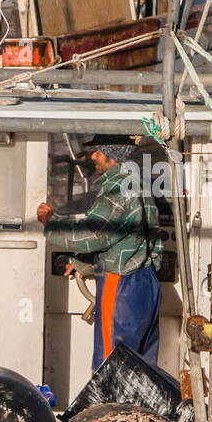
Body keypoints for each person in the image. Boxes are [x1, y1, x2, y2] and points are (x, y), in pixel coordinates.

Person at [37, 138, 163, 369]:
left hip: (123, 284)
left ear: (112, 155)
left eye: (97, 152)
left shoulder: (117, 188)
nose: (92, 156)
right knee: (142, 368)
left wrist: (51, 224)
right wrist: (83, 262)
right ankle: (137, 406)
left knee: (111, 364)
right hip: (146, 281)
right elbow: (126, 237)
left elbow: (96, 234)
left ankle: (110, 406)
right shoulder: (138, 183)